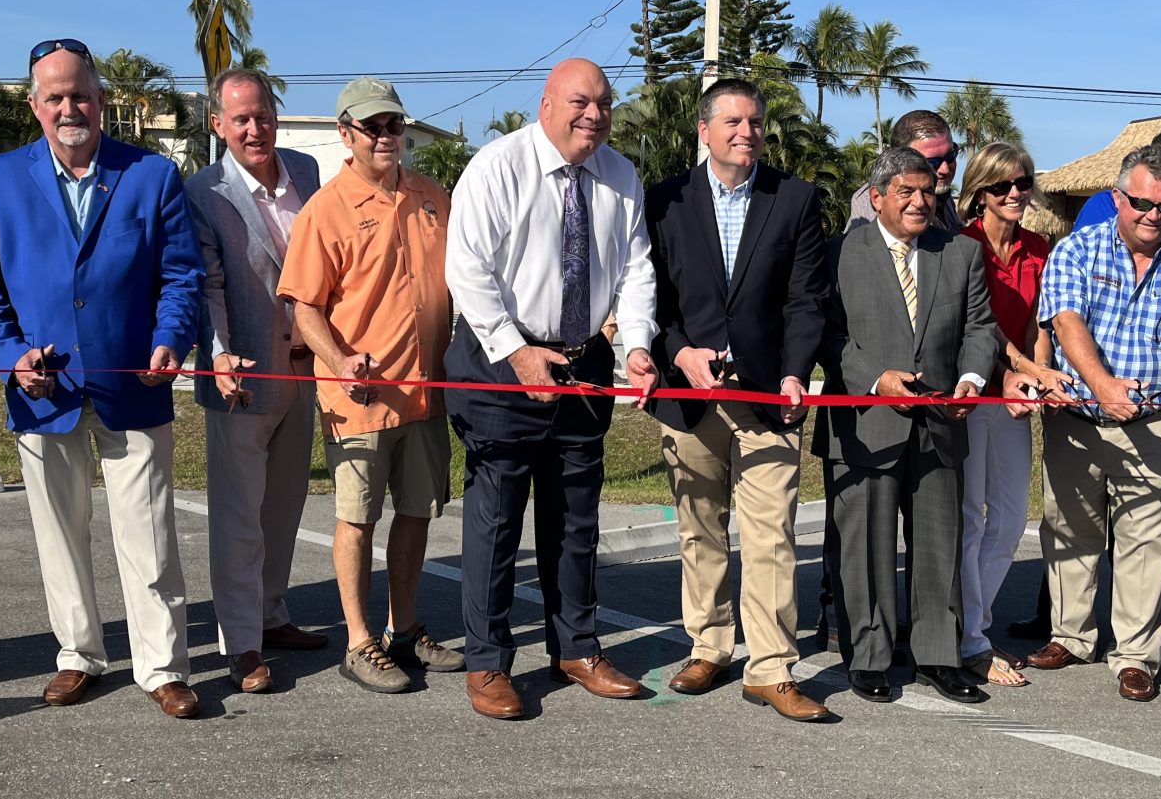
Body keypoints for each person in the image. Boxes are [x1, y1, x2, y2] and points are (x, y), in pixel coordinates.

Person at [0, 38, 205, 719]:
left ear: (101, 101)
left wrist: (170, 339)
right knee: (59, 533)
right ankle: (78, 655)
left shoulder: (151, 175)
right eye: (55, 97)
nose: (69, 108)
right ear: (34, 105)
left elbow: (181, 277)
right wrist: (12, 358)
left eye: (80, 95)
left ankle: (163, 667)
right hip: (44, 393)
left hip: (136, 385)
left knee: (149, 533)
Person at [442, 58, 661, 720]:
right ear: (546, 106)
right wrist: (516, 352)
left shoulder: (621, 177)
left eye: (604, 103)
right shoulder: (497, 167)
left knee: (575, 519)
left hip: (583, 364)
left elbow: (637, 271)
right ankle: (487, 661)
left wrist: (637, 345)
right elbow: (467, 269)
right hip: (500, 362)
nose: (594, 114)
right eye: (579, 102)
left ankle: (577, 649)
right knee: (497, 518)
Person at [645, 76, 833, 722]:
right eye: (733, 122)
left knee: (772, 534)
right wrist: (679, 353)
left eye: (754, 122)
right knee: (700, 531)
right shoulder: (664, 200)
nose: (747, 132)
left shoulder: (795, 198)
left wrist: (795, 373)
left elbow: (806, 299)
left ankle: (772, 668)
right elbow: (652, 298)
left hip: (768, 398)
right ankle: (710, 647)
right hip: (689, 396)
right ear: (705, 130)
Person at [1010, 124, 1161, 651]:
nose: (1153, 215)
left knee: (1147, 542)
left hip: (1154, 423)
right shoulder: (1077, 249)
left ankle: (1136, 653)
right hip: (1079, 418)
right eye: (1141, 203)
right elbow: (1066, 322)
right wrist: (1102, 384)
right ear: (1117, 198)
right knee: (1070, 532)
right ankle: (1070, 637)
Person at [278, 77, 464, 694]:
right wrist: (338, 360)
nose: (385, 136)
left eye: (393, 125)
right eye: (371, 126)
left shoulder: (432, 195)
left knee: (415, 513)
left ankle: (403, 629)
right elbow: (305, 307)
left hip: (425, 391)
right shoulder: (325, 209)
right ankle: (359, 642)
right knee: (357, 519)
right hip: (359, 397)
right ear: (346, 134)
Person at [823, 147, 999, 704]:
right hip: (866, 424)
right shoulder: (838, 254)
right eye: (906, 191)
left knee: (939, 547)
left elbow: (981, 327)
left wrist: (971, 378)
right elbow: (827, 335)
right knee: (865, 548)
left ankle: (939, 656)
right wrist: (876, 380)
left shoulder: (962, 252)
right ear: (877, 198)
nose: (920, 201)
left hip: (941, 423)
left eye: (927, 191)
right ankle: (869, 657)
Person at [185, 67, 329, 696]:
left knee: (285, 505)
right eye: (239, 118)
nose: (254, 128)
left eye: (262, 115)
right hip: (241, 377)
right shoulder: (203, 192)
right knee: (239, 516)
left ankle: (272, 614)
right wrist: (219, 356)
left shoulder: (307, 172)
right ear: (218, 124)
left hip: (305, 370)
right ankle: (242, 643)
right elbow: (208, 286)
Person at [954, 143, 1071, 688]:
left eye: (1022, 183)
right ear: (980, 192)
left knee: (1008, 519)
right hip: (971, 389)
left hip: (1014, 393)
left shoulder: (1037, 247)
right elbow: (979, 323)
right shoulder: (962, 245)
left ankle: (971, 628)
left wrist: (1037, 371)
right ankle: (969, 637)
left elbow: (1038, 323)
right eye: (1001, 186)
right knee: (968, 519)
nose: (1015, 193)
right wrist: (1023, 367)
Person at [848, 110, 962, 235]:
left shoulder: (942, 194)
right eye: (932, 162)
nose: (945, 169)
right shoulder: (876, 203)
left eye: (951, 156)